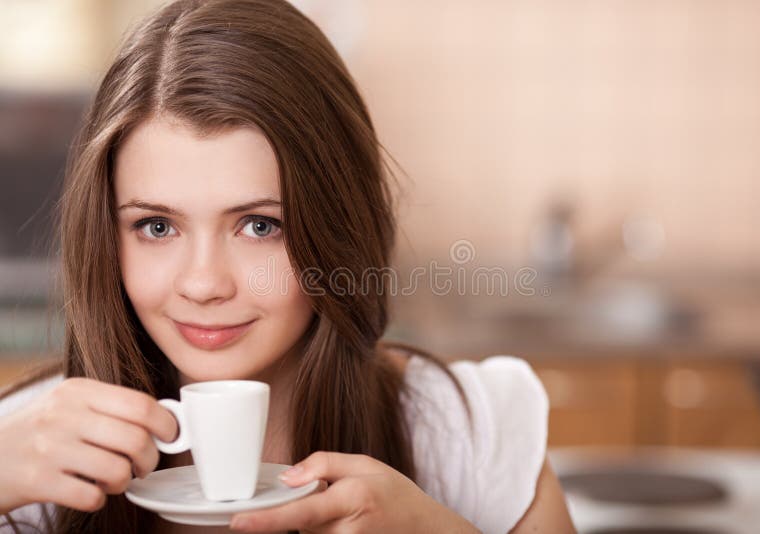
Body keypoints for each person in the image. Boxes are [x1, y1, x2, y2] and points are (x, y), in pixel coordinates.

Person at [0, 0, 576, 532]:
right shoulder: (29, 453)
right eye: (156, 227)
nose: (203, 284)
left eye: (259, 225)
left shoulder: (472, 434)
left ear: (338, 225)